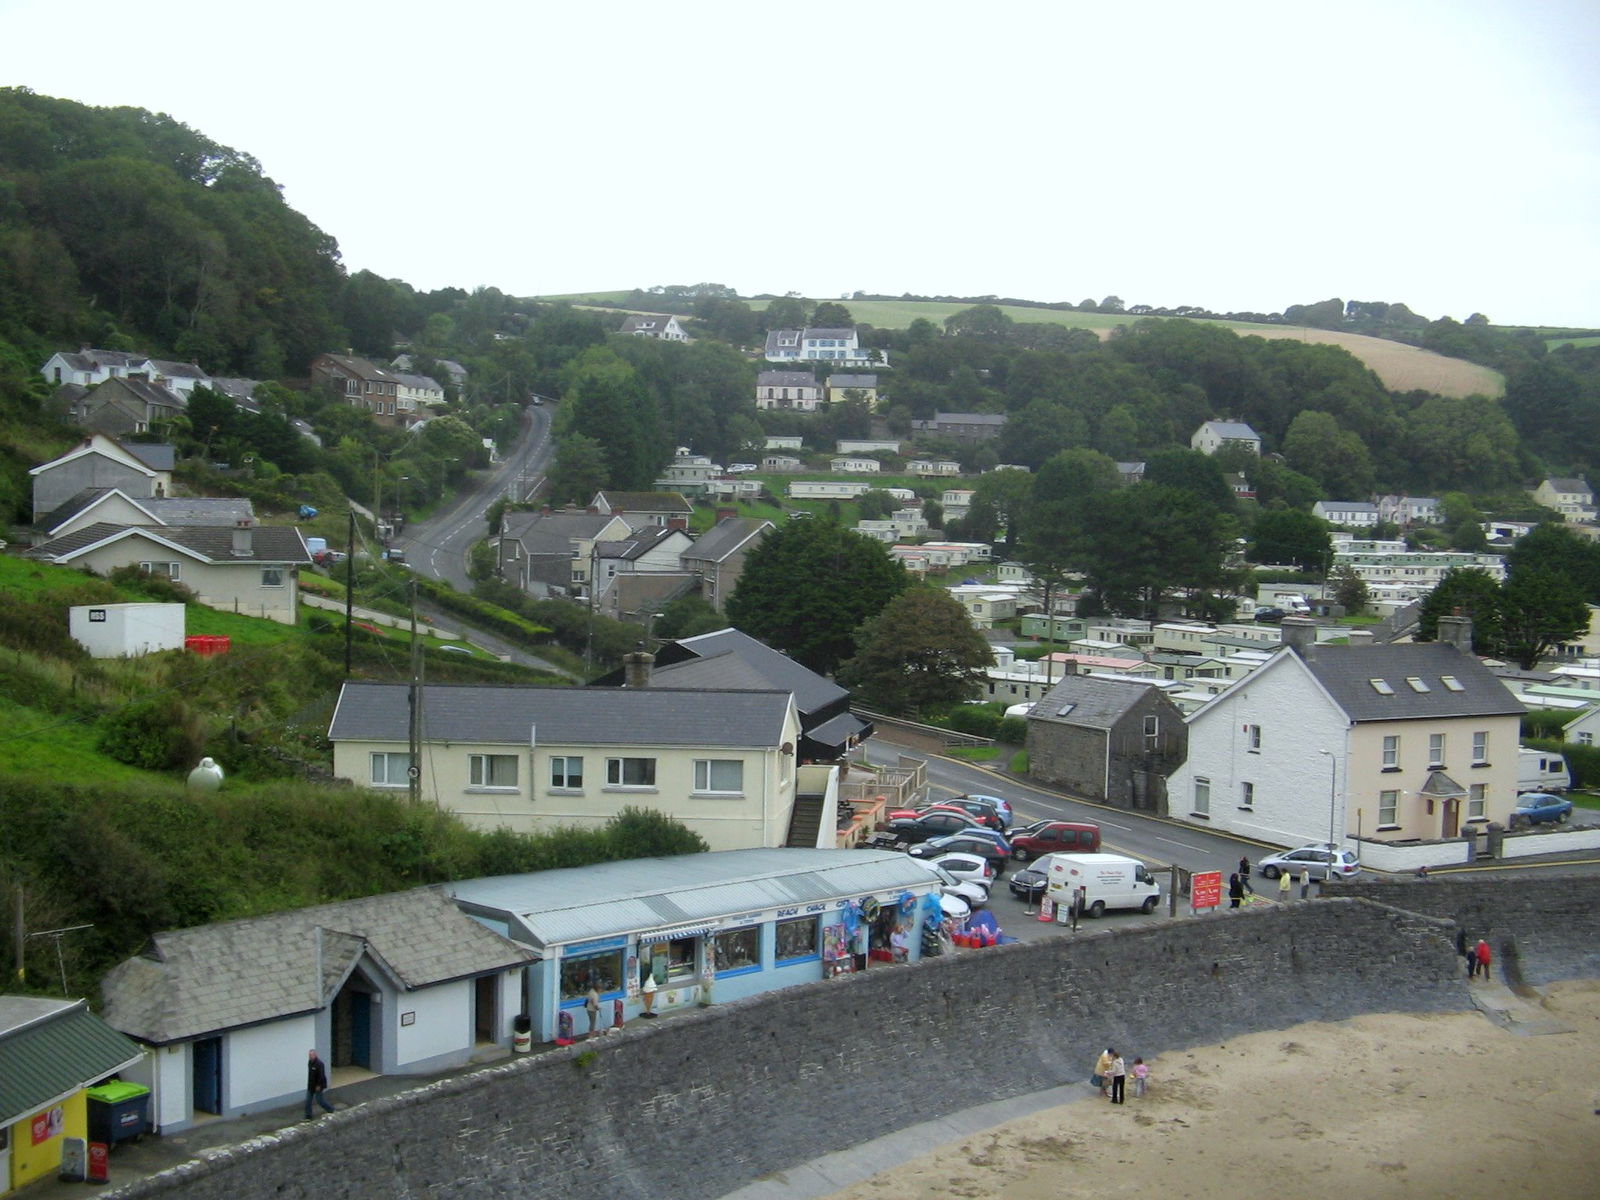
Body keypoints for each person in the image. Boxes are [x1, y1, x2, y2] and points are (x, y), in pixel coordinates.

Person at [304, 1049, 335, 1119]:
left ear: (315, 1055)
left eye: (312, 1055)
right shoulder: (310, 1063)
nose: (310, 1056)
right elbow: (310, 1075)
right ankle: (308, 1116)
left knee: (320, 1101)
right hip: (311, 1086)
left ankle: (331, 1110)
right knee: (308, 1101)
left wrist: (318, 1085)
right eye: (309, 1055)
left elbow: (321, 1076)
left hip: (318, 1086)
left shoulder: (319, 1064)